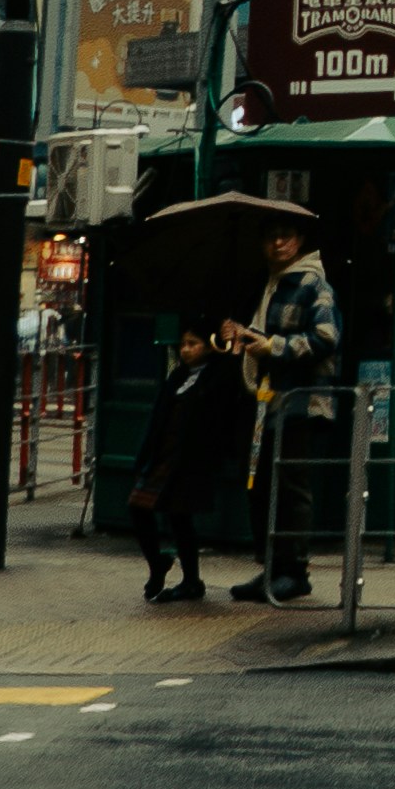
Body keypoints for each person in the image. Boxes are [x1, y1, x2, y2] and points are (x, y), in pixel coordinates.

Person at [220, 221, 342, 604]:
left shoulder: (312, 284)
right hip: (263, 403)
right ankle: (272, 568)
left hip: (298, 403)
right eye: (270, 236)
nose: (277, 243)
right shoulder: (266, 284)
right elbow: (256, 338)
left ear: (300, 241)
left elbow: (327, 338)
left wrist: (272, 347)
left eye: (285, 235)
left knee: (290, 485)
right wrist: (235, 334)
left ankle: (295, 571)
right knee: (260, 483)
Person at [126, 319, 238, 603]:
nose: (186, 350)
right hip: (164, 456)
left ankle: (191, 580)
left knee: (180, 517)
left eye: (193, 344)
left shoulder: (215, 376)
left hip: (190, 460)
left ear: (208, 346)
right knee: (139, 506)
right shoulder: (177, 376)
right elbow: (157, 419)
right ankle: (158, 564)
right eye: (183, 344)